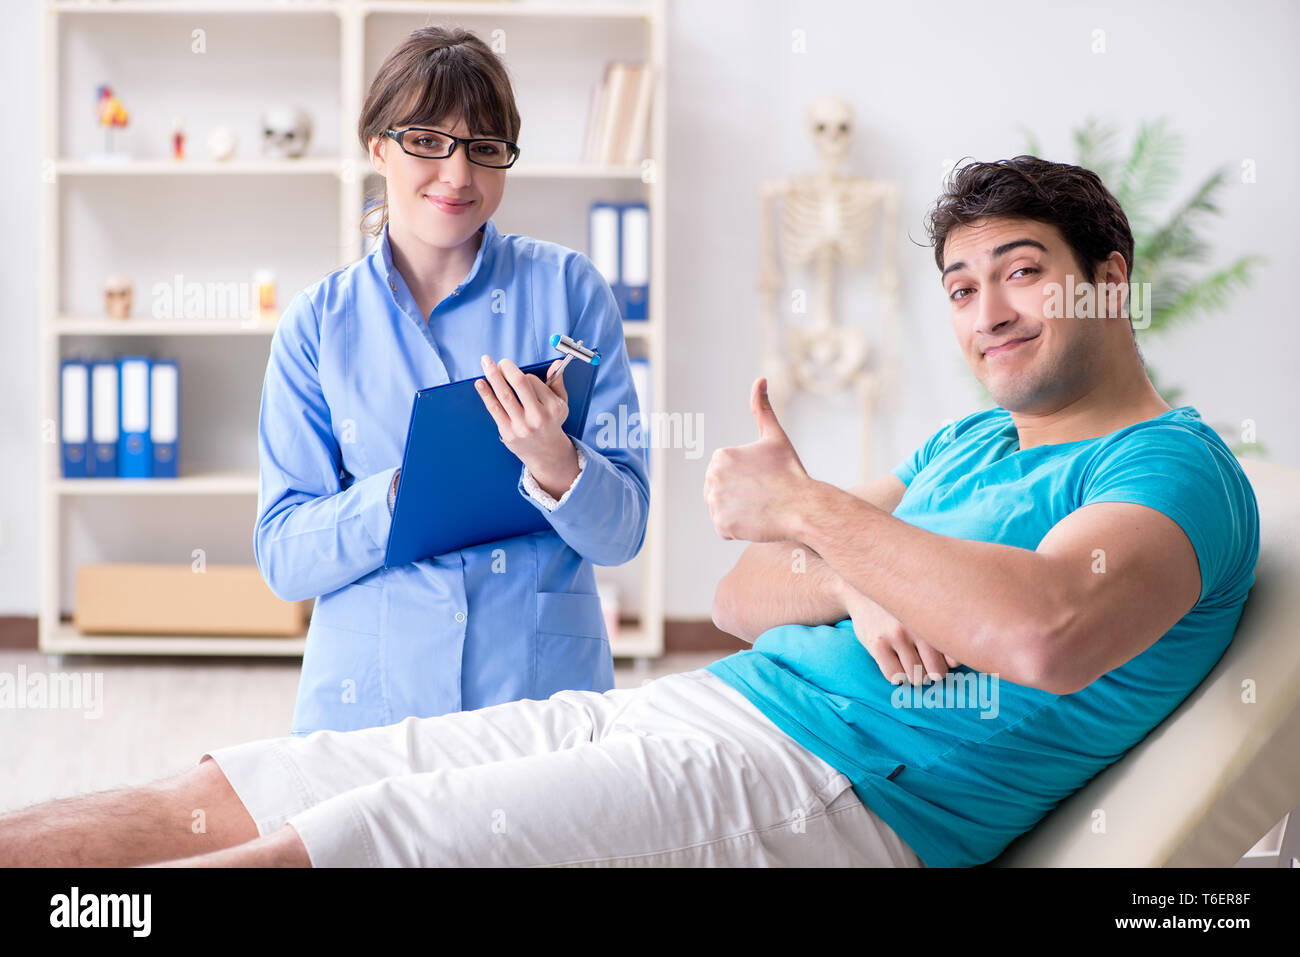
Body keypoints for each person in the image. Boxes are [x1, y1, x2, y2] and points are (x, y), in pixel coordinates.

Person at [0, 156, 1257, 868]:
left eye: (1022, 274)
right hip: (712, 708)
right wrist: (859, 573)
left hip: (834, 791)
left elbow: (1043, 633)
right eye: (960, 286)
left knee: (355, 843)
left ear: (1109, 280)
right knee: (256, 782)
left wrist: (811, 510)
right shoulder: (968, 440)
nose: (985, 312)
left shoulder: (1167, 470)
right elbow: (738, 594)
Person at [254, 26, 648, 735]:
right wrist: (404, 497)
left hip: (537, 702)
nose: (458, 175)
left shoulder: (572, 294)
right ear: (377, 145)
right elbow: (284, 555)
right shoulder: (316, 326)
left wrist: (560, 465)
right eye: (428, 141)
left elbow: (623, 534)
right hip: (368, 712)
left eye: (484, 149)